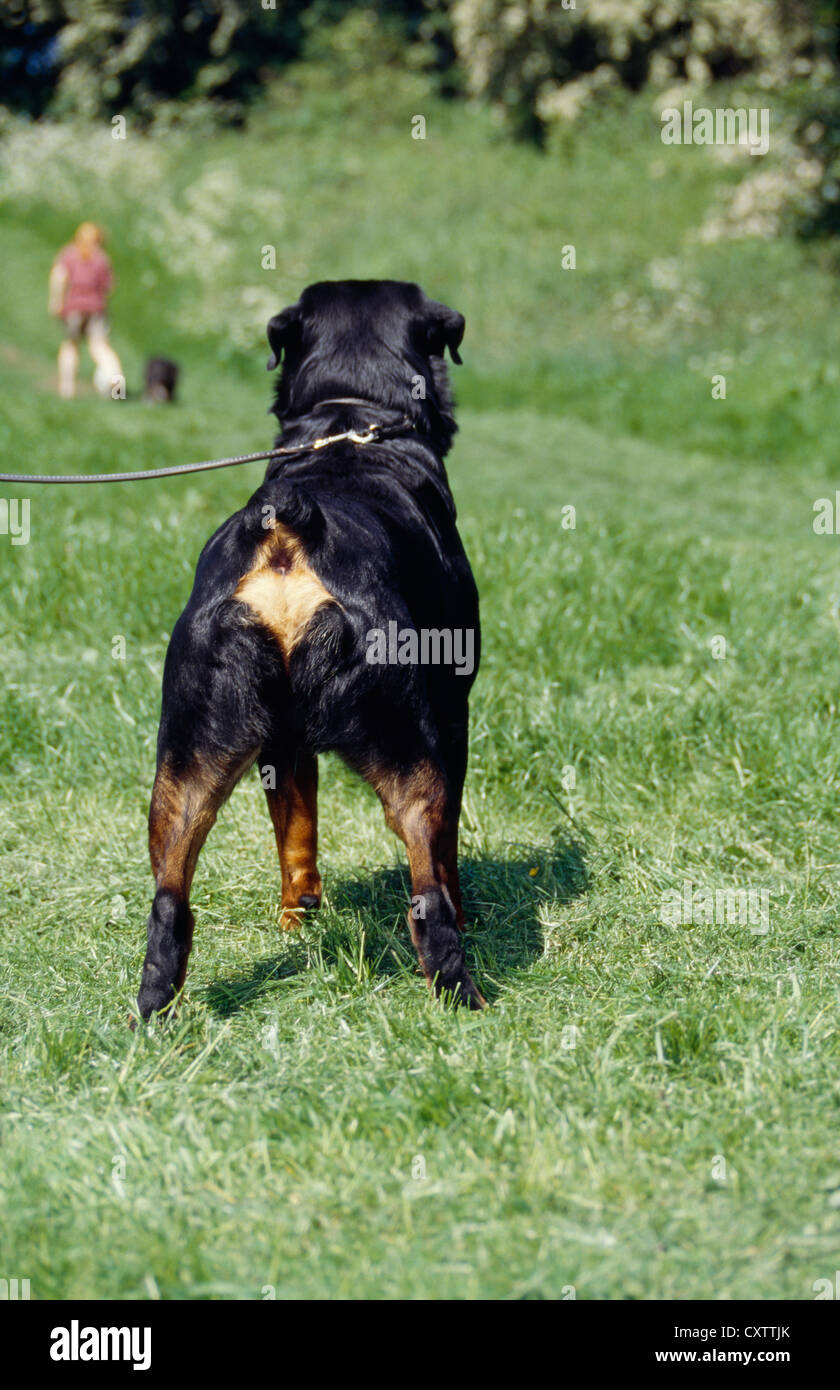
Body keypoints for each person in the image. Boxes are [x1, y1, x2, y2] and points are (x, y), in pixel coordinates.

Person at [48, 223, 123, 399]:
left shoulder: (69, 254)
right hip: (96, 308)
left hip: (73, 308)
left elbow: (59, 277)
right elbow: (109, 286)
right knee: (100, 347)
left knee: (71, 345)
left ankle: (67, 390)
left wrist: (56, 300)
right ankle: (118, 387)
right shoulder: (102, 259)